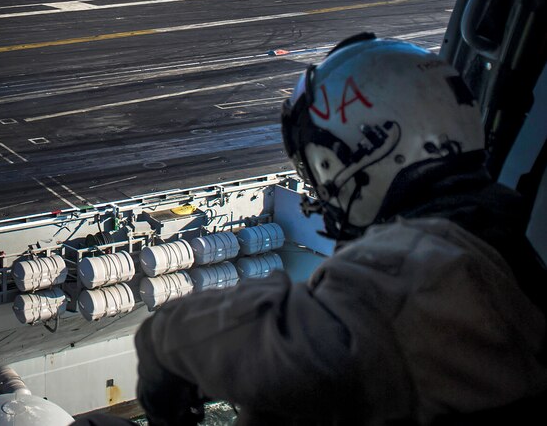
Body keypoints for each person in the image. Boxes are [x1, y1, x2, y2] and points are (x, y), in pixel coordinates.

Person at [131, 34, 547, 426]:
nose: (319, 198)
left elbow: (304, 345)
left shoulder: (419, 267)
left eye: (320, 177)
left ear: (368, 156)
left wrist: (162, 341)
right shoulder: (501, 234)